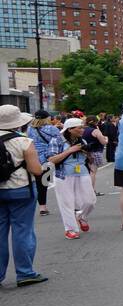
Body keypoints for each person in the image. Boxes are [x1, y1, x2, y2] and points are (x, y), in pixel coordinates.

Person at [0, 105, 47, 287]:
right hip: (21, 190)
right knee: (22, 231)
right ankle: (25, 272)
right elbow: (35, 170)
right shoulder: (24, 141)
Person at [48, 117, 95, 239]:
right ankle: (70, 229)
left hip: (82, 172)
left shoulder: (82, 141)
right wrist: (70, 151)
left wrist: (87, 153)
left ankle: (81, 217)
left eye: (82, 127)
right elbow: (52, 159)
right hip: (63, 174)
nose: (82, 130)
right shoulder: (57, 140)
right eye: (79, 128)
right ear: (70, 129)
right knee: (66, 202)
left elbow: (90, 159)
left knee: (90, 200)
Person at [27, 111, 59, 216]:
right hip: (46, 159)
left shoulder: (29, 128)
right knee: (44, 183)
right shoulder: (52, 129)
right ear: (47, 118)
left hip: (32, 158)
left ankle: (38, 206)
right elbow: (56, 143)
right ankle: (43, 208)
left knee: (35, 183)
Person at [78, 114, 108, 195]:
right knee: (93, 172)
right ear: (95, 122)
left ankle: (86, 190)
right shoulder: (95, 131)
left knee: (87, 172)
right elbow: (103, 142)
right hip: (96, 152)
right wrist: (106, 139)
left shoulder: (83, 130)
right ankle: (91, 191)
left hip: (85, 152)